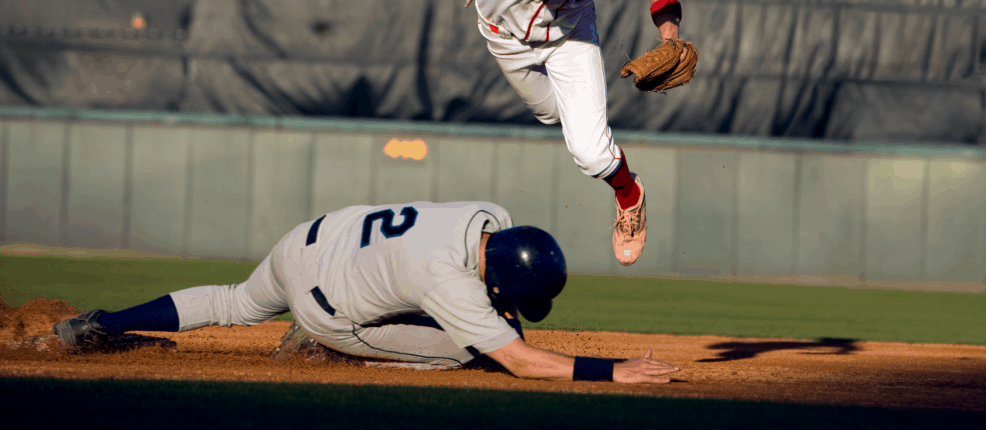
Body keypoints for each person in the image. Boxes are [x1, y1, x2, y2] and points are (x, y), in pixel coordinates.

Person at [52, 201, 680, 383]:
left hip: (310, 239)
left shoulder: (487, 214)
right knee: (475, 349)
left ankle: (101, 322)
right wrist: (612, 370)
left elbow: (484, 278)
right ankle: (319, 346)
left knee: (234, 302)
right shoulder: (445, 278)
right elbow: (519, 361)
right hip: (328, 310)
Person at [469, 0, 688, 266]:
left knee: (589, 152)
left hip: (571, 35)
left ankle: (630, 195)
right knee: (551, 115)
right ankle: (570, 122)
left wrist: (670, 37)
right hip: (506, 37)